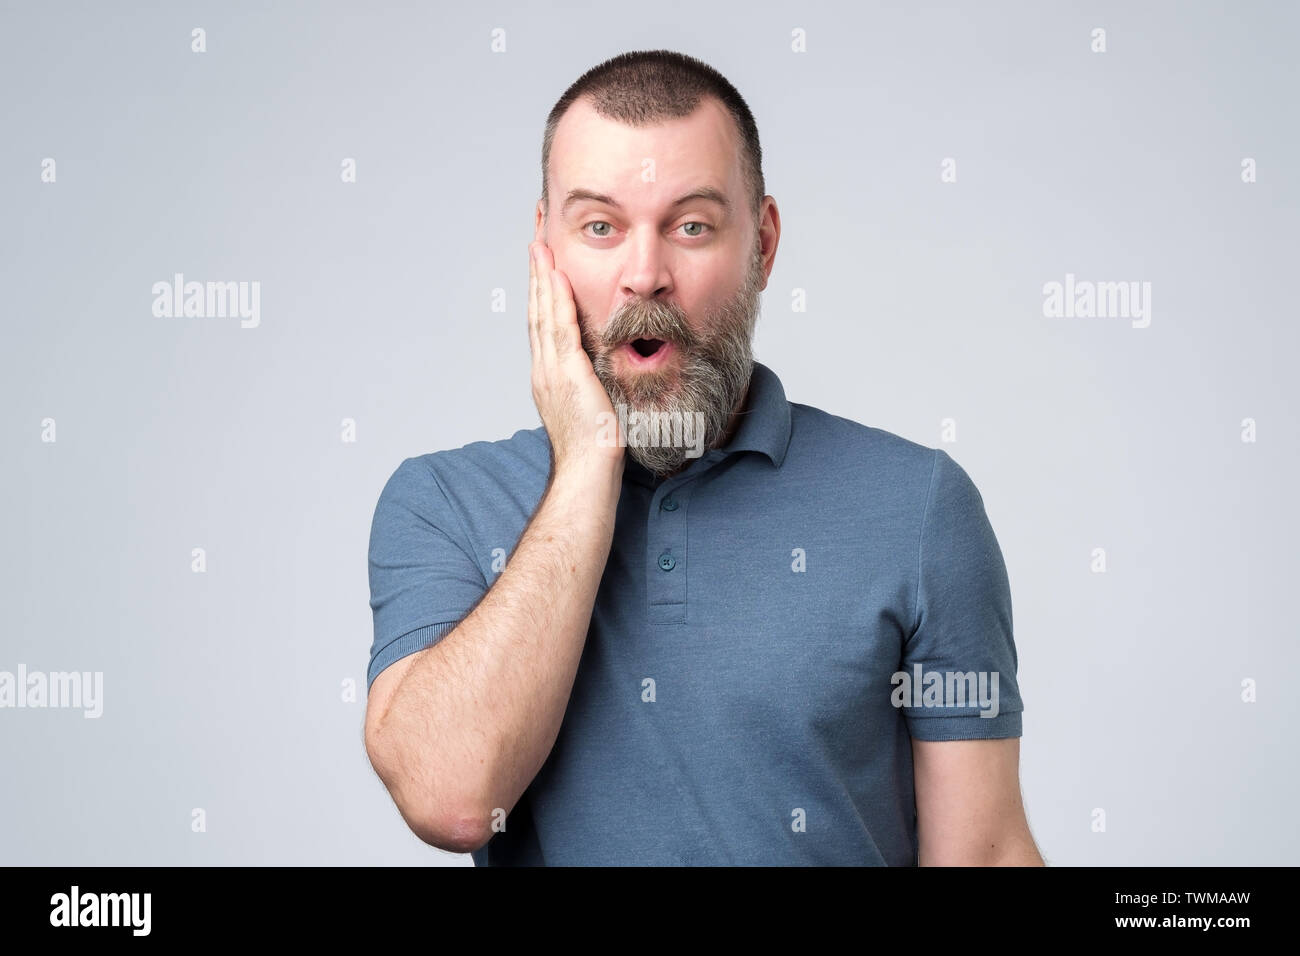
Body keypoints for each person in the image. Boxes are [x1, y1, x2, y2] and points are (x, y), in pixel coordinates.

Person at [363, 49, 1044, 866]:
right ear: (543, 249)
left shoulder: (921, 507)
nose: (644, 276)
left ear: (762, 244)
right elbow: (452, 798)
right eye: (600, 227)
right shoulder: (443, 502)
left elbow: (986, 852)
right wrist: (587, 461)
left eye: (691, 225)